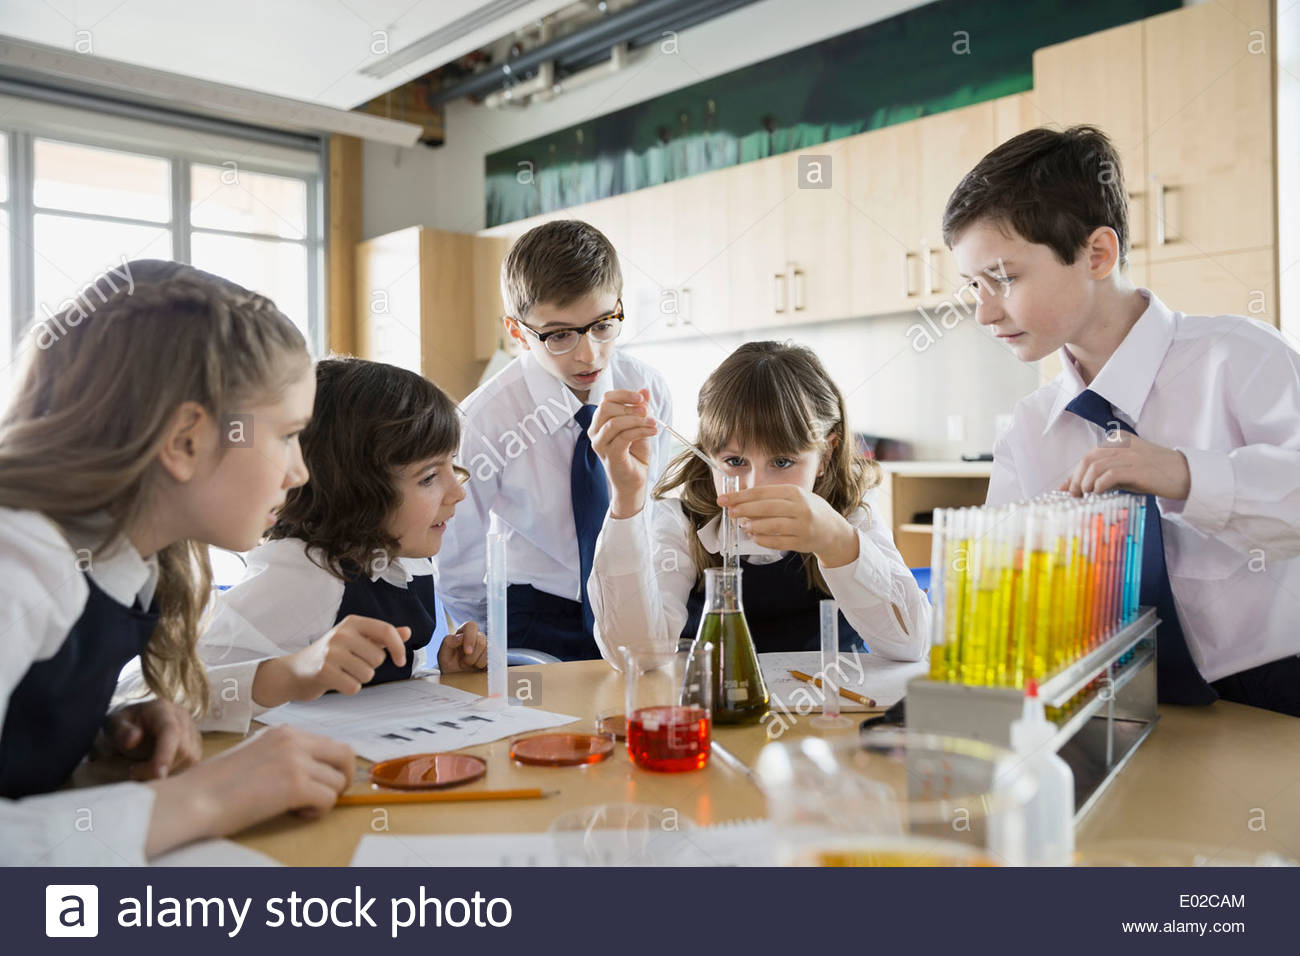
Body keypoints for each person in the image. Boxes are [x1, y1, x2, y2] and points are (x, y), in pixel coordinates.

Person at [0, 261, 352, 864]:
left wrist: (94, 732)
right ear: (186, 440)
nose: (300, 472)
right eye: (287, 435)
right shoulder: (19, 564)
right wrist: (209, 797)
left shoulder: (125, 569)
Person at [945, 125, 1300, 715]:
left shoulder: (1240, 356)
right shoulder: (1029, 429)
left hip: (1275, 690)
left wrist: (1185, 475)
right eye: (973, 287)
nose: (984, 312)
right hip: (1113, 701)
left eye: (1004, 278)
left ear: (1097, 254)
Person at [192, 357, 486, 734]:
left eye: (452, 466)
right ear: (355, 492)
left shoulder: (406, 560)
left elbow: (369, 692)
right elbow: (150, 694)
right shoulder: (305, 576)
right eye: (429, 477)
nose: (459, 493)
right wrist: (286, 674)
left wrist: (437, 675)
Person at [587, 341, 930, 661]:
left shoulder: (852, 515)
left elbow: (911, 645)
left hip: (826, 718)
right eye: (735, 462)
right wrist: (627, 498)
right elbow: (637, 655)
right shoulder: (681, 523)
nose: (753, 486)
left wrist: (837, 541)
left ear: (826, 455)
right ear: (708, 454)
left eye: (782, 463)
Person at [438, 220, 672, 661]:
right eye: (559, 335)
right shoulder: (483, 419)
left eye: (603, 325)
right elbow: (457, 553)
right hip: (532, 617)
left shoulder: (648, 389)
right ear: (517, 331)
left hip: (634, 601)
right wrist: (490, 642)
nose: (588, 355)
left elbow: (655, 514)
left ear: (619, 307)